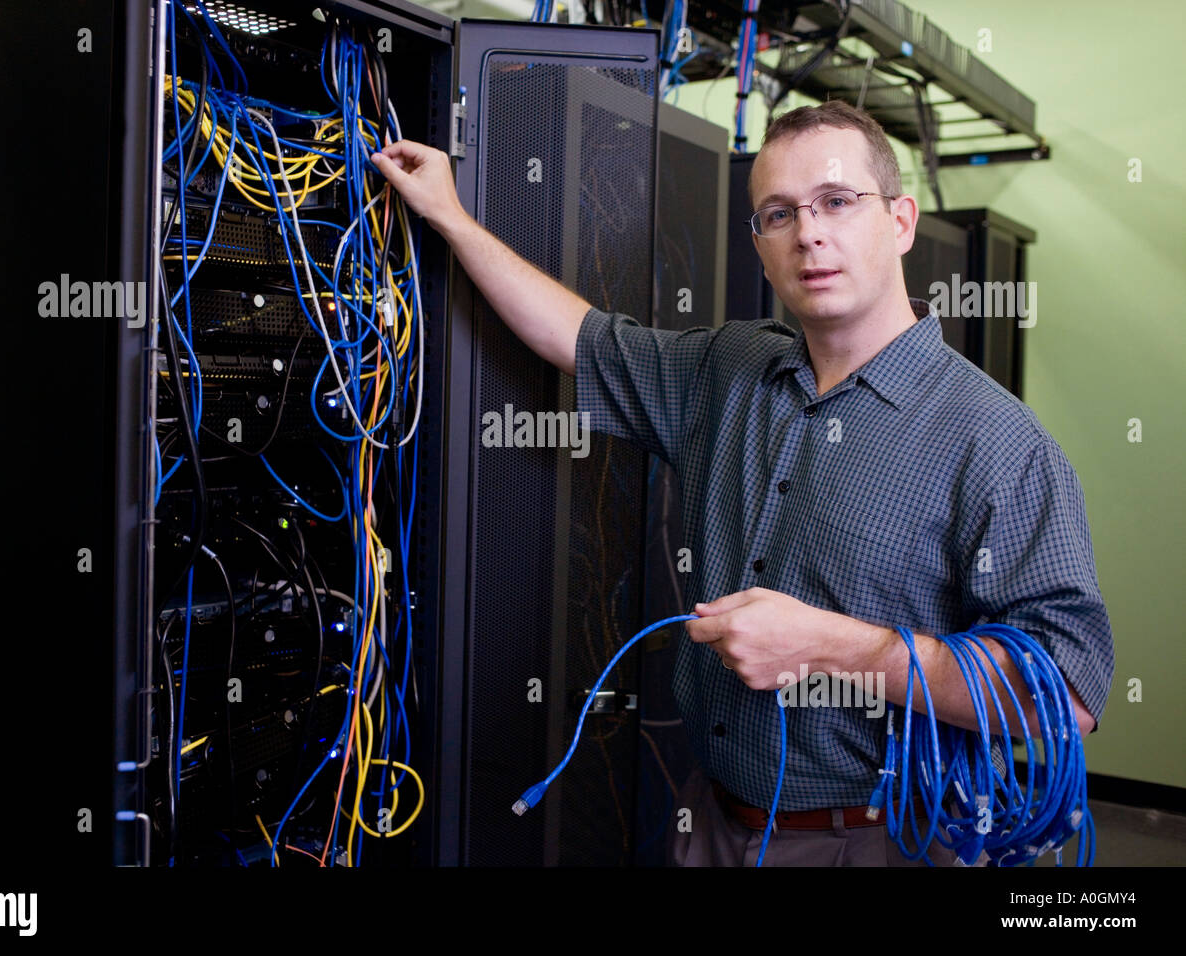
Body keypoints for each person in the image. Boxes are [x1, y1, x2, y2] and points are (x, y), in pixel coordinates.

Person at [369, 99, 1114, 867]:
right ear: (759, 246)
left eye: (836, 202)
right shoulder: (730, 369)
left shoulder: (997, 443)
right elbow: (580, 338)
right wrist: (450, 217)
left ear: (900, 221)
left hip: (882, 839)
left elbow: (1065, 696)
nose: (810, 234)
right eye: (778, 214)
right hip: (714, 822)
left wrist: (835, 647)